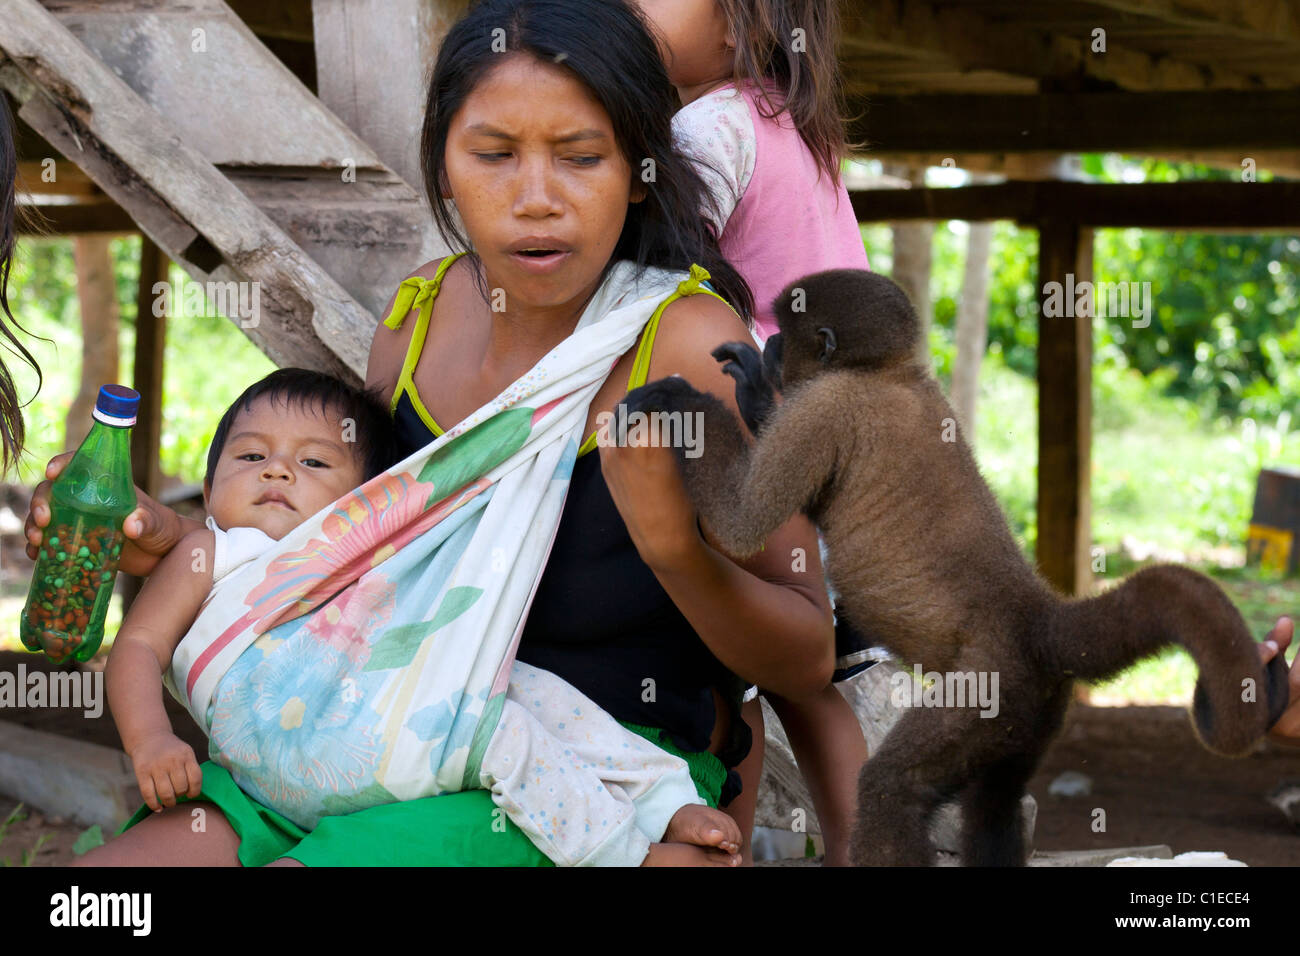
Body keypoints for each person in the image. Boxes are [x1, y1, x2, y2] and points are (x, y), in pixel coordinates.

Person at [30, 0, 835, 867]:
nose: (535, 200)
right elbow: (350, 562)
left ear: (639, 170)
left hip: (583, 787)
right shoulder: (416, 325)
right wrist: (171, 539)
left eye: (582, 157)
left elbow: (806, 656)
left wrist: (677, 549)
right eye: (492, 155)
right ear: (445, 167)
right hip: (365, 734)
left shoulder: (687, 353)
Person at [105, 366, 742, 866]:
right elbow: (138, 646)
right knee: (509, 733)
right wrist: (151, 739)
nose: (277, 469)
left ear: (367, 500)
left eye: (314, 462)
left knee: (535, 702)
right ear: (210, 486)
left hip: (392, 746)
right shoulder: (207, 553)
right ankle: (624, 855)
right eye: (249, 457)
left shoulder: (383, 561)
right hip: (270, 776)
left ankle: (662, 800)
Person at [634, 0, 874, 864]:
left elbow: (658, 271)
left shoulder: (708, 128)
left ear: (742, 25)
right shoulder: (798, 129)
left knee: (729, 676)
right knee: (800, 682)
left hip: (760, 431)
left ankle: (722, 847)